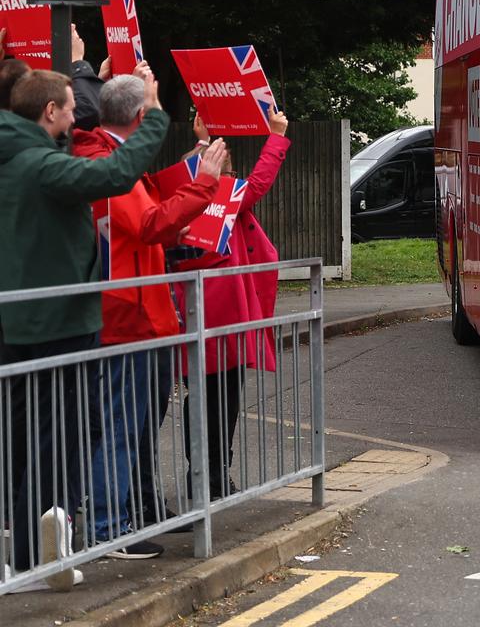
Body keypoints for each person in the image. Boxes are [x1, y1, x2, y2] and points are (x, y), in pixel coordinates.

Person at [0, 66, 168, 584]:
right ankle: (48, 538)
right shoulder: (39, 164)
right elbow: (113, 177)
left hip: (14, 323)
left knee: (19, 437)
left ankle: (27, 546)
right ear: (49, 112)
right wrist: (156, 115)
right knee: (64, 434)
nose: (79, 114)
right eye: (71, 106)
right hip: (56, 322)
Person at [69, 76, 227, 559]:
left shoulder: (104, 156)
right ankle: (107, 527)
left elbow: (151, 191)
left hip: (131, 312)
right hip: (127, 315)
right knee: (118, 427)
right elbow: (149, 221)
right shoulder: (102, 161)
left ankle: (118, 517)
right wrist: (204, 183)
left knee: (123, 425)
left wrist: (198, 162)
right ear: (139, 119)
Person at [179, 108, 291, 498]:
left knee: (208, 397)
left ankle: (207, 474)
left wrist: (204, 140)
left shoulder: (186, 198)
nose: (225, 161)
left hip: (201, 314)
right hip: (223, 316)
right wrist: (276, 136)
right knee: (220, 400)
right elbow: (259, 183)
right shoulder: (222, 194)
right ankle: (211, 476)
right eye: (219, 160)